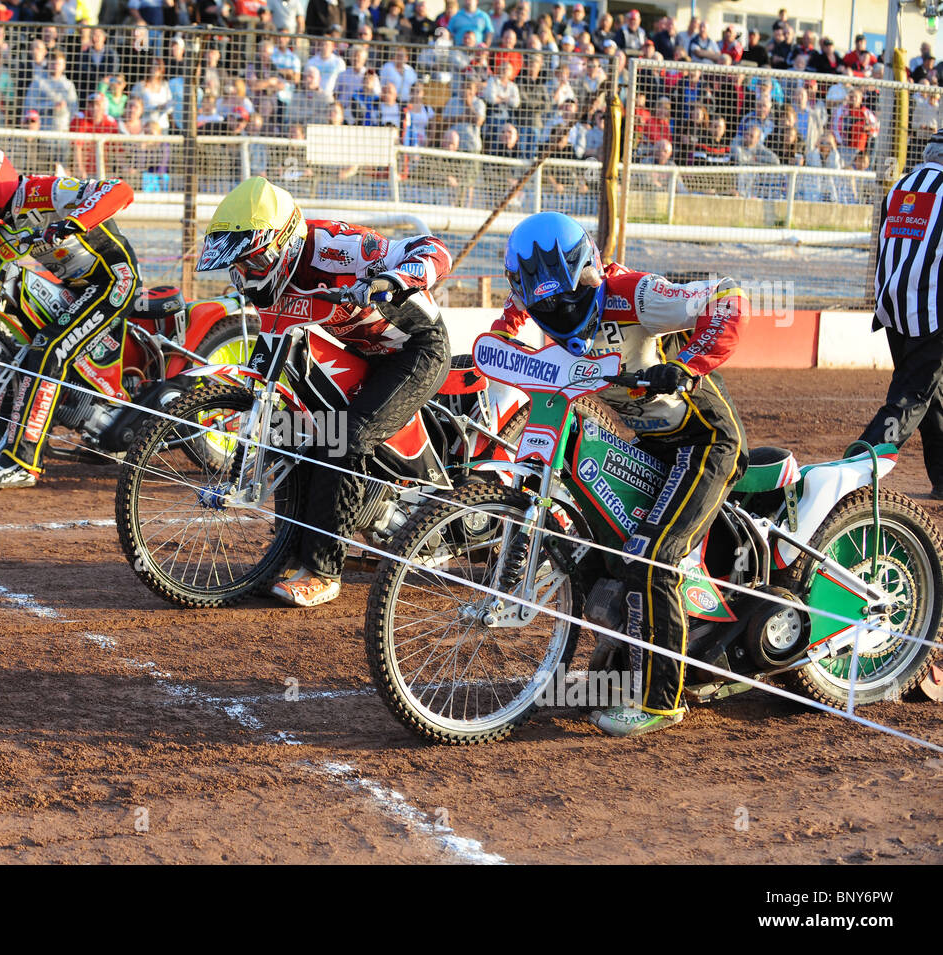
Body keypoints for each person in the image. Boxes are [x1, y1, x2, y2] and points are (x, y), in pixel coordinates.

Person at [495, 212, 749, 737]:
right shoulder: (532, 301)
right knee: (596, 549)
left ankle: (662, 702)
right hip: (651, 444)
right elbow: (507, 330)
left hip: (705, 440)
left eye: (565, 299)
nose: (557, 313)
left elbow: (728, 296)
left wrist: (689, 365)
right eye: (544, 305)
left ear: (588, 271)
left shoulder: (635, 293)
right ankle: (619, 667)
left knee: (651, 555)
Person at [196, 177, 452, 607]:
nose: (245, 275)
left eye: (252, 263)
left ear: (282, 244)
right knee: (290, 429)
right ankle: (286, 552)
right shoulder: (272, 284)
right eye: (237, 266)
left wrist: (395, 277)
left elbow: (433, 248)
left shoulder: (335, 245)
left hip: (415, 349)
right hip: (363, 353)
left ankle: (323, 570)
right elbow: (266, 376)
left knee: (344, 438)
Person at [0, 144, 138, 489]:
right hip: (74, 287)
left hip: (113, 280)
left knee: (49, 350)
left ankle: (25, 462)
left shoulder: (42, 192)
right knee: (16, 355)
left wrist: (72, 223)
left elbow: (120, 190)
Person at [856, 131, 943, 496]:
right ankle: (857, 468)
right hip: (934, 311)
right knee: (911, 399)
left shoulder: (900, 187)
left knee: (933, 398)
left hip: (895, 308)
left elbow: (884, 246)